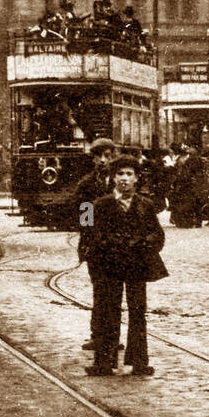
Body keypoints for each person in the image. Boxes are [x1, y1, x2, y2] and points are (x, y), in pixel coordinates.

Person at [81, 155, 167, 376]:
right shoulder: (99, 205)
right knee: (108, 311)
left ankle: (139, 361)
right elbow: (89, 234)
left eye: (129, 174)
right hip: (109, 266)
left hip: (137, 265)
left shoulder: (146, 206)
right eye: (120, 174)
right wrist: (106, 248)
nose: (124, 179)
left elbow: (158, 235)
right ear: (113, 178)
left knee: (138, 312)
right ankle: (104, 362)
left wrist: (143, 244)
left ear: (137, 178)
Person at [75, 138, 116, 352]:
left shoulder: (120, 183)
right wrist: (89, 242)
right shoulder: (87, 185)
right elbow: (84, 219)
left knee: (115, 292)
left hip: (118, 246)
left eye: (107, 156)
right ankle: (98, 335)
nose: (103, 161)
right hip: (96, 246)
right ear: (92, 159)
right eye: (98, 156)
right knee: (100, 291)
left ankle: (113, 335)